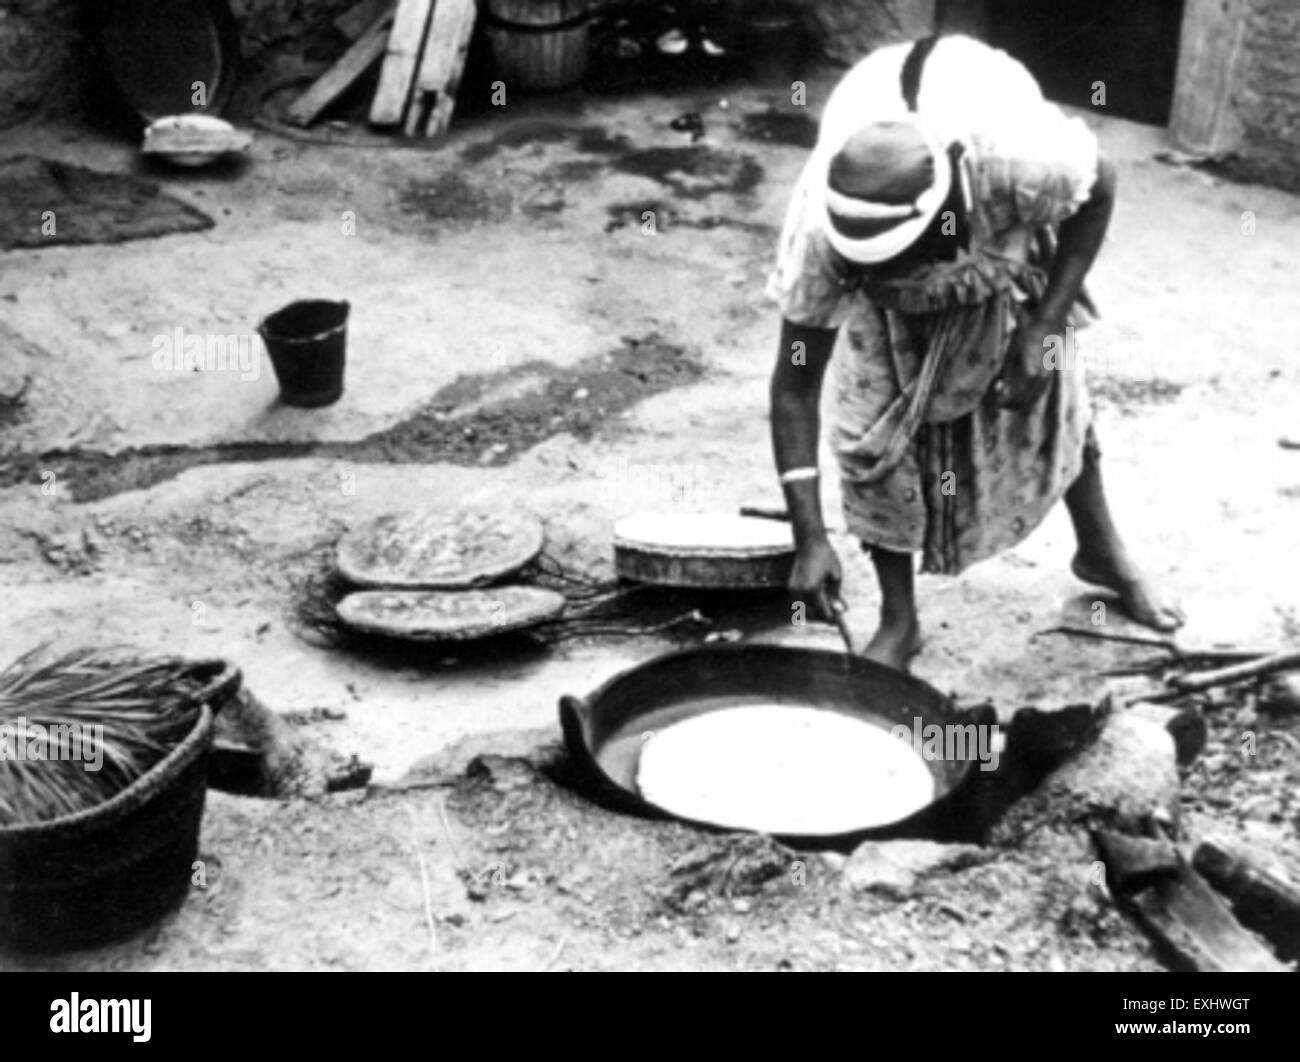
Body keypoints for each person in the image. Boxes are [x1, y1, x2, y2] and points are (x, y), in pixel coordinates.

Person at [767, 34, 1183, 671]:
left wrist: (1045, 326)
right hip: (893, 231)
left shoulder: (1019, 158)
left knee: (1051, 403)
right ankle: (899, 620)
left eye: (926, 254)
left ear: (955, 211)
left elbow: (1101, 188)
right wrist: (809, 538)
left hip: (998, 221)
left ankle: (1102, 551)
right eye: (891, 270)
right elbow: (795, 388)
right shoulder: (822, 238)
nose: (926, 278)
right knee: (872, 430)